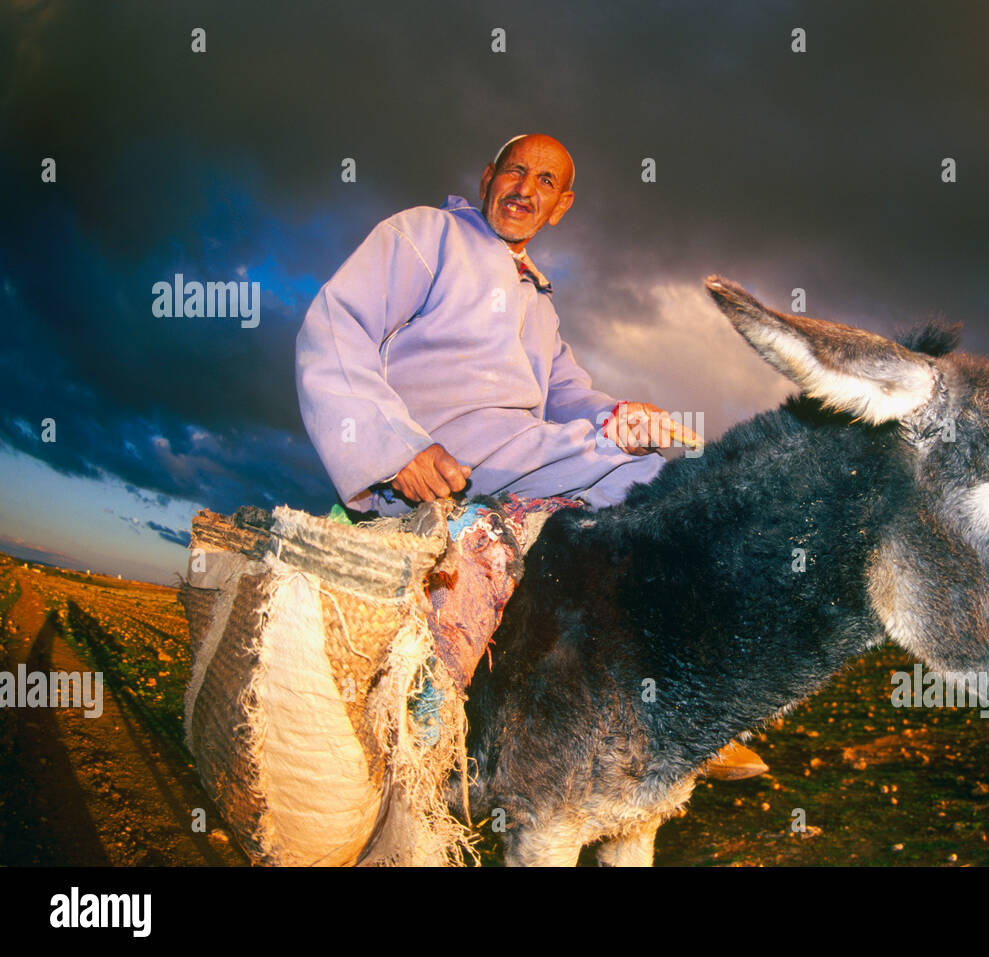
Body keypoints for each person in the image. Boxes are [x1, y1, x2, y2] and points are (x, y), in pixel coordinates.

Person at [295, 133, 766, 780]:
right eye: (515, 171)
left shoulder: (538, 299)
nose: (525, 188)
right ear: (488, 177)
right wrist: (392, 449)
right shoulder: (426, 235)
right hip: (444, 451)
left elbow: (567, 391)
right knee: (643, 475)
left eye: (545, 181)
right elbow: (334, 324)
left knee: (664, 481)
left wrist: (618, 416)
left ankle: (667, 701)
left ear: (561, 205)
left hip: (517, 451)